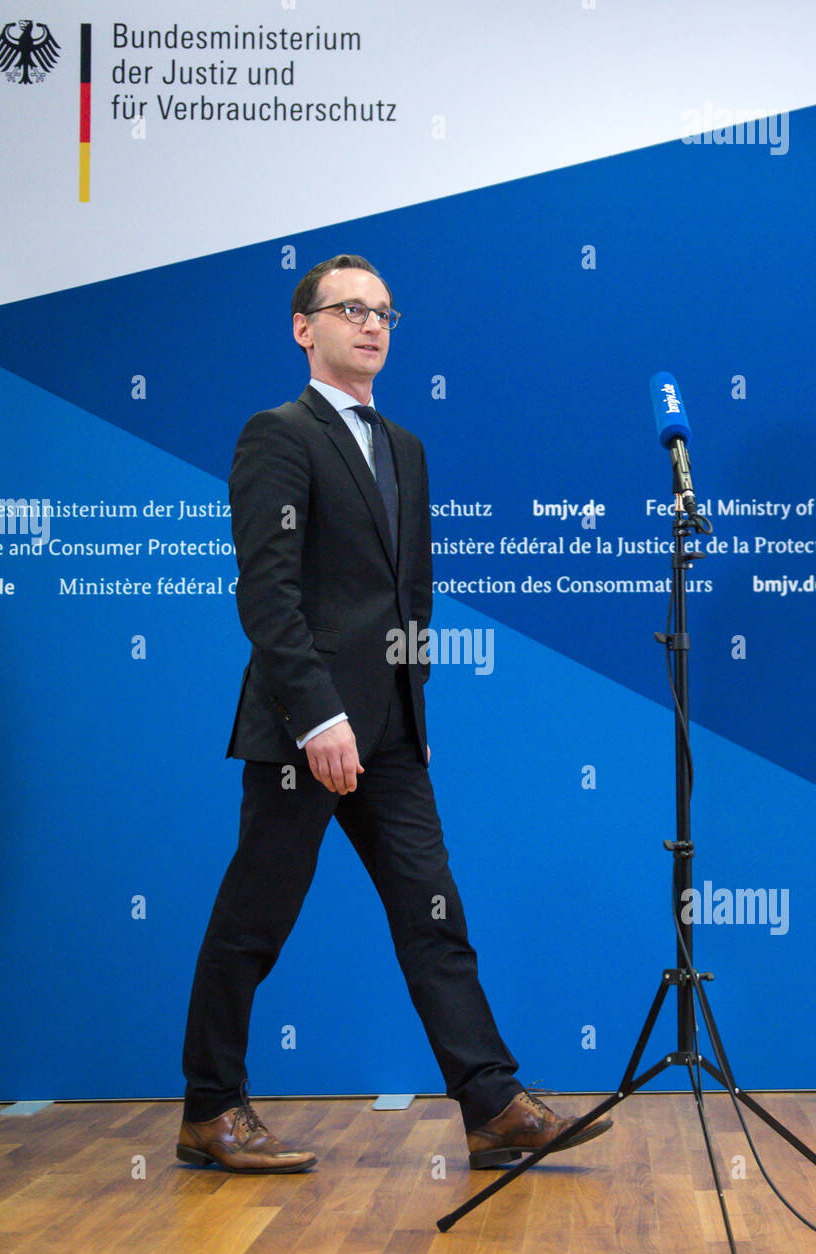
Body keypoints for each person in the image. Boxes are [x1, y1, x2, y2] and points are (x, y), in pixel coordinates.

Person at [177, 254, 613, 1174]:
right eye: (349, 309)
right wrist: (318, 717)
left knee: (433, 914)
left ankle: (492, 1105)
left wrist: (409, 707)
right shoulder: (277, 434)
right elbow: (267, 595)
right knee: (256, 921)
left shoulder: (404, 447)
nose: (372, 324)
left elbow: (411, 597)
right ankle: (210, 1110)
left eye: (383, 312)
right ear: (304, 328)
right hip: (304, 734)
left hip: (392, 735)